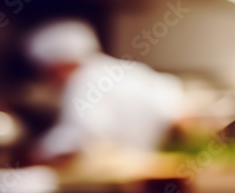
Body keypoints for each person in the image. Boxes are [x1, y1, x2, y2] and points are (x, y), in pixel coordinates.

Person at [25, 19, 187, 164]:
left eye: (47, 72)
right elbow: (174, 110)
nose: (50, 80)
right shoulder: (130, 70)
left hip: (115, 178)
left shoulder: (82, 80)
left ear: (57, 66)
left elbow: (80, 133)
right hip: (144, 170)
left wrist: (42, 152)